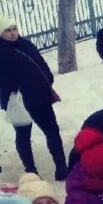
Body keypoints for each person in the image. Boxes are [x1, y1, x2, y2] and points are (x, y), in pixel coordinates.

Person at [0, 11, 67, 179]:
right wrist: (14, 87)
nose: (12, 33)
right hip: (19, 101)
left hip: (39, 97)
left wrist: (48, 80)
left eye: (14, 29)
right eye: (8, 30)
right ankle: (31, 171)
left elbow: (41, 64)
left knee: (52, 132)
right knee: (23, 136)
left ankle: (62, 168)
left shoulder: (26, 45)